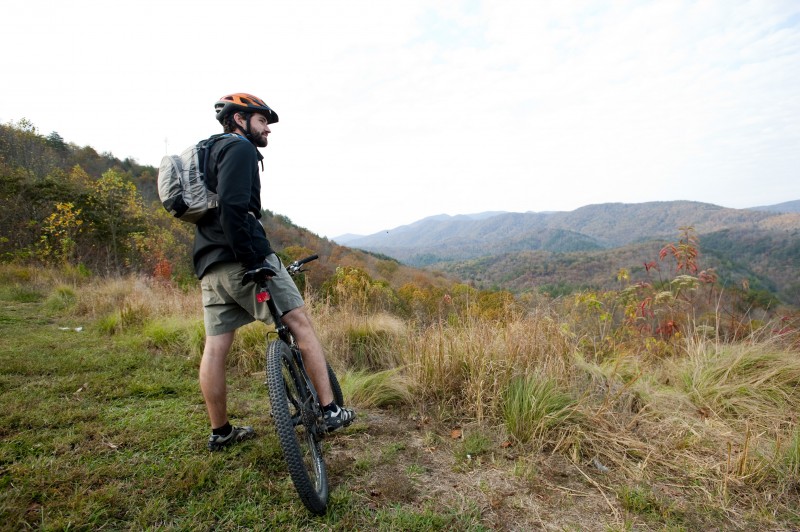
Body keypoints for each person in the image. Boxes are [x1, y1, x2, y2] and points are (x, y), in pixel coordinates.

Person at [194, 93, 355, 451]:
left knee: (216, 348)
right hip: (243, 255)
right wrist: (252, 259)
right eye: (262, 120)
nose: (268, 128)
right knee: (300, 323)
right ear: (240, 120)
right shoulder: (239, 149)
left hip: (209, 265)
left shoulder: (208, 154)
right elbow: (234, 209)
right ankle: (331, 411)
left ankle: (220, 433)